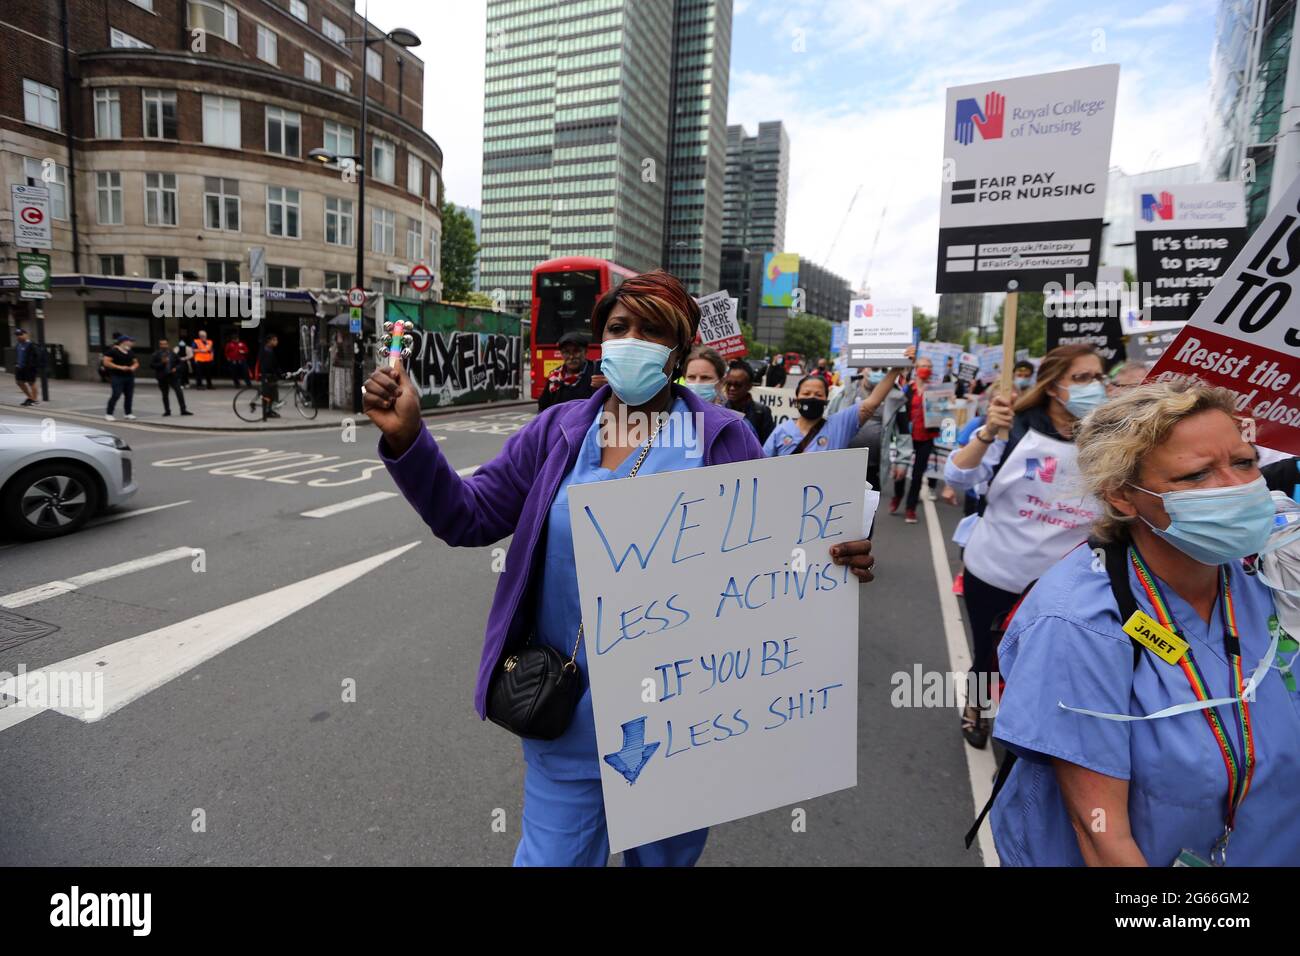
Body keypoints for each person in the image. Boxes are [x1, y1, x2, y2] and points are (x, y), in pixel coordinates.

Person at [363, 269, 879, 867]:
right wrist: (410, 440)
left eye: (653, 330)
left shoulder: (724, 439)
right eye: (618, 327)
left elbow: (773, 562)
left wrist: (835, 557)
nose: (632, 339)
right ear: (601, 339)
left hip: (683, 725)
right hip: (565, 714)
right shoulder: (558, 431)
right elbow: (467, 517)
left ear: (679, 352)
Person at [989, 381, 1300, 866]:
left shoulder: (1266, 576)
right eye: (1196, 476)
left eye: (1243, 462)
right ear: (1123, 497)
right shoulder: (1078, 623)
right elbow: (1100, 833)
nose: (1236, 486)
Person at [944, 344, 1107, 748]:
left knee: (1043, 659)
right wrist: (986, 431)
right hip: (996, 568)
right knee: (988, 652)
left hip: (1062, 584)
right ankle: (977, 707)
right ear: (1054, 386)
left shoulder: (1110, 436)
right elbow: (958, 477)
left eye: (1099, 377)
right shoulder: (1012, 425)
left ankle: (1024, 724)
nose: (1094, 386)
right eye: (1082, 378)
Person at [763, 349, 913, 457]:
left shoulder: (839, 425)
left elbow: (871, 403)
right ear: (796, 400)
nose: (812, 398)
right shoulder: (781, 431)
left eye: (818, 394)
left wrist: (896, 369)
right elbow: (762, 469)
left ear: (826, 401)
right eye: (806, 394)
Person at [891, 356, 942, 524]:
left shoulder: (937, 390)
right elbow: (897, 410)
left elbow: (943, 414)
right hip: (907, 436)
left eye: (929, 366)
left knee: (918, 474)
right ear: (916, 368)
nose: (926, 368)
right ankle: (897, 495)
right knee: (901, 469)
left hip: (926, 436)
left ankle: (910, 508)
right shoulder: (907, 389)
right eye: (923, 366)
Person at [539, 330, 602, 412]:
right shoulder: (554, 377)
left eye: (576, 351)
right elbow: (543, 406)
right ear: (561, 353)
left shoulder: (596, 372)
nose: (571, 357)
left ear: (585, 351)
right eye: (566, 352)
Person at [724, 360, 774, 444]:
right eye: (729, 384)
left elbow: (767, 446)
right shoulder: (719, 409)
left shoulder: (762, 412)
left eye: (738, 385)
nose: (732, 388)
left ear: (749, 386)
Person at [150, 337, 192, 417]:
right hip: (162, 377)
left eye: (165, 344)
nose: (163, 346)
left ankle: (183, 410)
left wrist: (175, 368)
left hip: (173, 376)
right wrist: (162, 363)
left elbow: (180, 363)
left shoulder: (172, 353)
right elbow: (152, 365)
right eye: (161, 344)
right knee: (165, 394)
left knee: (179, 392)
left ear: (168, 344)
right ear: (159, 345)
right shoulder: (156, 354)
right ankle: (167, 411)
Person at [102, 334, 139, 421]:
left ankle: (128, 413)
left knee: (129, 395)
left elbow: (136, 362)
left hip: (129, 376)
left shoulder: (130, 352)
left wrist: (133, 367)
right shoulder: (113, 351)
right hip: (117, 376)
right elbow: (106, 362)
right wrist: (120, 367)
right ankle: (109, 414)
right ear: (123, 342)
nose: (131, 343)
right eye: (129, 341)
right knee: (116, 394)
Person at [13, 328, 40, 406]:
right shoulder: (18, 345)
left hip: (30, 368)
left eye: (20, 335)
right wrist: (16, 364)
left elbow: (37, 357)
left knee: (31, 383)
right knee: (19, 382)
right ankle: (30, 397)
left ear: (26, 335)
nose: (19, 337)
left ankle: (34, 400)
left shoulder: (32, 345)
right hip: (20, 367)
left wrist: (33, 366)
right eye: (17, 335)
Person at [259, 333, 281, 420]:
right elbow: (267, 365)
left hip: (271, 375)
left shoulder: (270, 350)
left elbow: (274, 364)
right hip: (268, 375)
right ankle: (267, 412)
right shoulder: (266, 350)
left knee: (273, 394)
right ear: (269, 341)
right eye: (275, 340)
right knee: (269, 394)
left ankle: (269, 410)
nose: (276, 342)